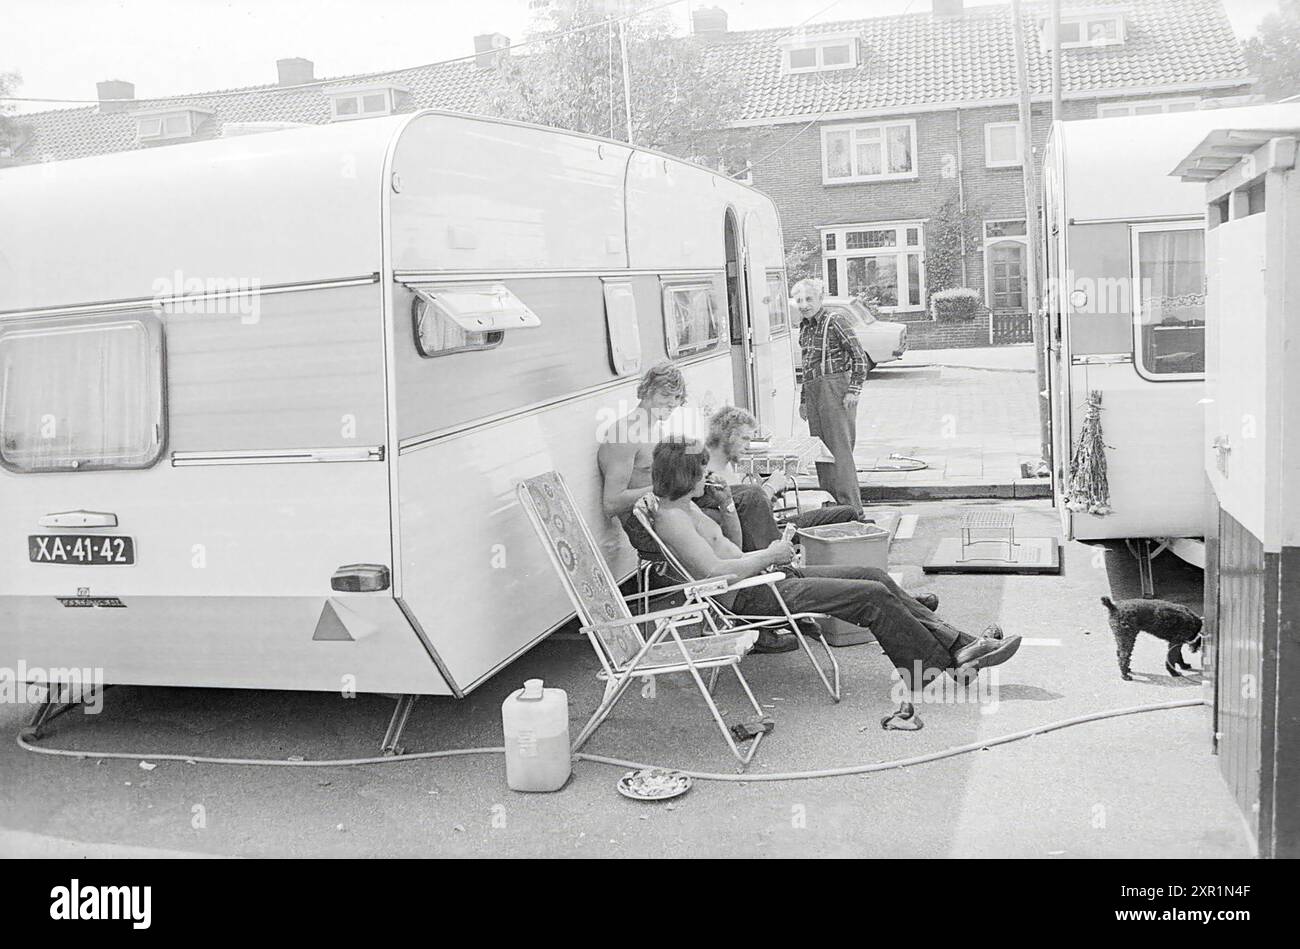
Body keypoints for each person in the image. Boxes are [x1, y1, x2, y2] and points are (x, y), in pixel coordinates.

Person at [643, 437, 1022, 691]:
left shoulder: (687, 506)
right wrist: (773, 555)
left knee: (873, 576)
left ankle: (962, 647)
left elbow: (734, 550)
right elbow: (715, 574)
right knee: (871, 597)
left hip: (762, 577)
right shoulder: (672, 520)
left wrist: (727, 507)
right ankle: (950, 659)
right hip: (750, 595)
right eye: (701, 471)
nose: (708, 476)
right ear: (685, 475)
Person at [697, 405, 866, 553]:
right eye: (745, 439)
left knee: (848, 512)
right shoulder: (709, 474)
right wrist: (770, 487)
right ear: (731, 436)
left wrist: (768, 493)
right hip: (766, 541)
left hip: (771, 526)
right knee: (844, 518)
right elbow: (737, 515)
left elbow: (750, 506)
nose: (748, 446)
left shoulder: (726, 464)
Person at [597, 361, 687, 559]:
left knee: (741, 500)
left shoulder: (656, 430)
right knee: (743, 505)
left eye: (677, 397)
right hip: (644, 524)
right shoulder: (625, 434)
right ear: (646, 391)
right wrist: (668, 486)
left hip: (666, 512)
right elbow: (611, 504)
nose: (673, 403)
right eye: (665, 395)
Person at [794, 278, 866, 515]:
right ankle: (833, 506)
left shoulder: (835, 321)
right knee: (821, 451)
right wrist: (804, 400)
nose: (804, 305)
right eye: (799, 300)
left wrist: (853, 390)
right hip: (815, 392)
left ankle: (853, 510)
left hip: (835, 391)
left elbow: (859, 357)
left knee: (839, 452)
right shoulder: (805, 327)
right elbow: (807, 366)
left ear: (820, 299)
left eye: (809, 299)